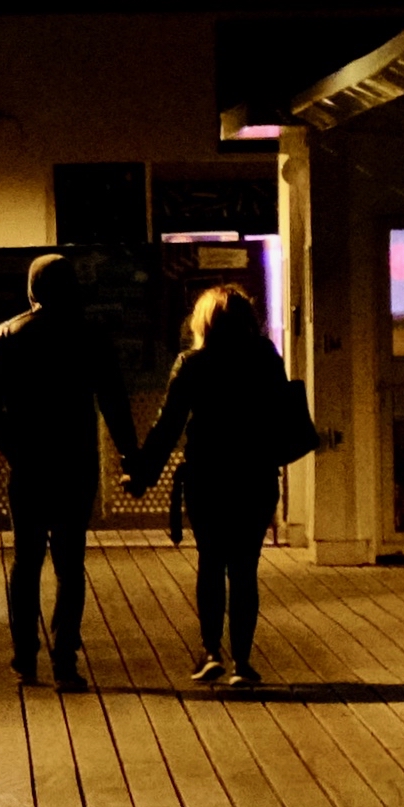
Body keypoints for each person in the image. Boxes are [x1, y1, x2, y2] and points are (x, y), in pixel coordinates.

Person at [0, 252, 135, 689]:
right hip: (75, 462)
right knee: (69, 563)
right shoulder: (90, 336)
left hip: (29, 464)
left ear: (33, 288)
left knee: (26, 562)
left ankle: (25, 657)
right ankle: (65, 661)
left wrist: (13, 447)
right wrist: (130, 456)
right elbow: (114, 402)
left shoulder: (8, 333)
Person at [131, 284, 294, 686]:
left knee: (211, 562)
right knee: (244, 569)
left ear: (204, 322)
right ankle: (243, 662)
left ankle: (210, 652)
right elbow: (282, 414)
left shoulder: (192, 363)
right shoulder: (266, 358)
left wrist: (143, 475)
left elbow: (168, 426)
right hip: (255, 475)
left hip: (208, 477)